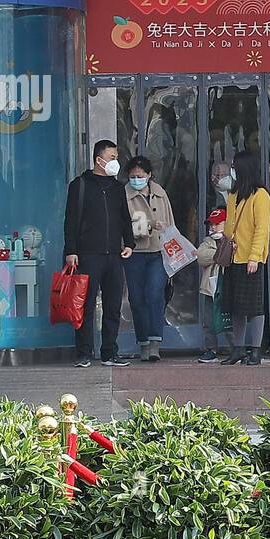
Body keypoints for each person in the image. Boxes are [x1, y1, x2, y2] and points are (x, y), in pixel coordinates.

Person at [63, 139, 134, 368]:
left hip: (114, 254)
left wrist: (129, 243)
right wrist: (71, 250)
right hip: (88, 255)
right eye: (112, 158)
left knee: (113, 305)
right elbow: (71, 220)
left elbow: (125, 217)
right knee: (85, 305)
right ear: (99, 160)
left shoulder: (117, 187)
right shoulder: (80, 185)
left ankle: (109, 352)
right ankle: (84, 352)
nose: (116, 162)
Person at [216, 152, 270, 365]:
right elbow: (230, 225)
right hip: (234, 258)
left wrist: (255, 257)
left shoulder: (261, 195)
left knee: (254, 307)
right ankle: (238, 349)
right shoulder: (234, 194)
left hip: (251, 258)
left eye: (233, 166)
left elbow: (261, 229)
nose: (231, 170)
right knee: (235, 306)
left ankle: (255, 350)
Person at [123, 155, 174, 363]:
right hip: (134, 252)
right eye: (133, 176)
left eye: (140, 176)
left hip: (158, 250)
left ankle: (155, 343)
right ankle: (143, 341)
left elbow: (170, 223)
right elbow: (124, 226)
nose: (136, 179)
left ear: (149, 175)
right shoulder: (123, 195)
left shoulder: (160, 194)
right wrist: (147, 225)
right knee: (136, 299)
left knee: (155, 294)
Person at [195, 205, 230, 363]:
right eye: (211, 224)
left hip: (227, 287)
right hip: (209, 288)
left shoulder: (232, 240)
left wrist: (222, 253)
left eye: (217, 223)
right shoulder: (207, 242)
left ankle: (237, 347)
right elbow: (201, 256)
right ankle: (211, 349)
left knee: (229, 320)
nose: (213, 227)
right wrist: (220, 254)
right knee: (208, 321)